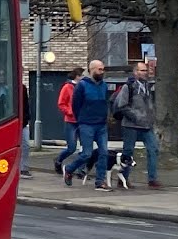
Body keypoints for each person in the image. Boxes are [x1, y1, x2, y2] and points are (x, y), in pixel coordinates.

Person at [63, 59, 112, 191]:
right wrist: (81, 119)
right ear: (91, 70)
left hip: (101, 124)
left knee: (104, 152)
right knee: (87, 153)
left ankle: (100, 181)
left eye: (103, 69)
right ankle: (69, 169)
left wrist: (106, 116)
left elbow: (105, 102)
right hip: (87, 124)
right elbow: (75, 105)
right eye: (99, 69)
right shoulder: (82, 85)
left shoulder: (103, 85)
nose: (102, 72)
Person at [113, 61, 161, 189]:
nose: (145, 73)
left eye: (146, 70)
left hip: (146, 124)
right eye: (142, 70)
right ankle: (123, 178)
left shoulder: (147, 86)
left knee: (153, 149)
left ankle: (152, 179)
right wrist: (135, 116)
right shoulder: (128, 87)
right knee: (128, 151)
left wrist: (151, 118)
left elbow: (149, 105)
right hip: (131, 125)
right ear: (135, 72)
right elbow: (122, 105)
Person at [53, 67, 83, 174]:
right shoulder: (67, 87)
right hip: (71, 121)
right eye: (82, 75)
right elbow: (61, 103)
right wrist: (70, 112)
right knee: (72, 147)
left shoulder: (82, 87)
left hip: (82, 121)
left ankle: (81, 170)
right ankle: (58, 160)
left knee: (85, 147)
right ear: (77, 76)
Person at [20, 83, 33, 178]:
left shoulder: (22, 88)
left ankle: (24, 168)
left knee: (25, 145)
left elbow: (25, 104)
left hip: (22, 122)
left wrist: (26, 117)